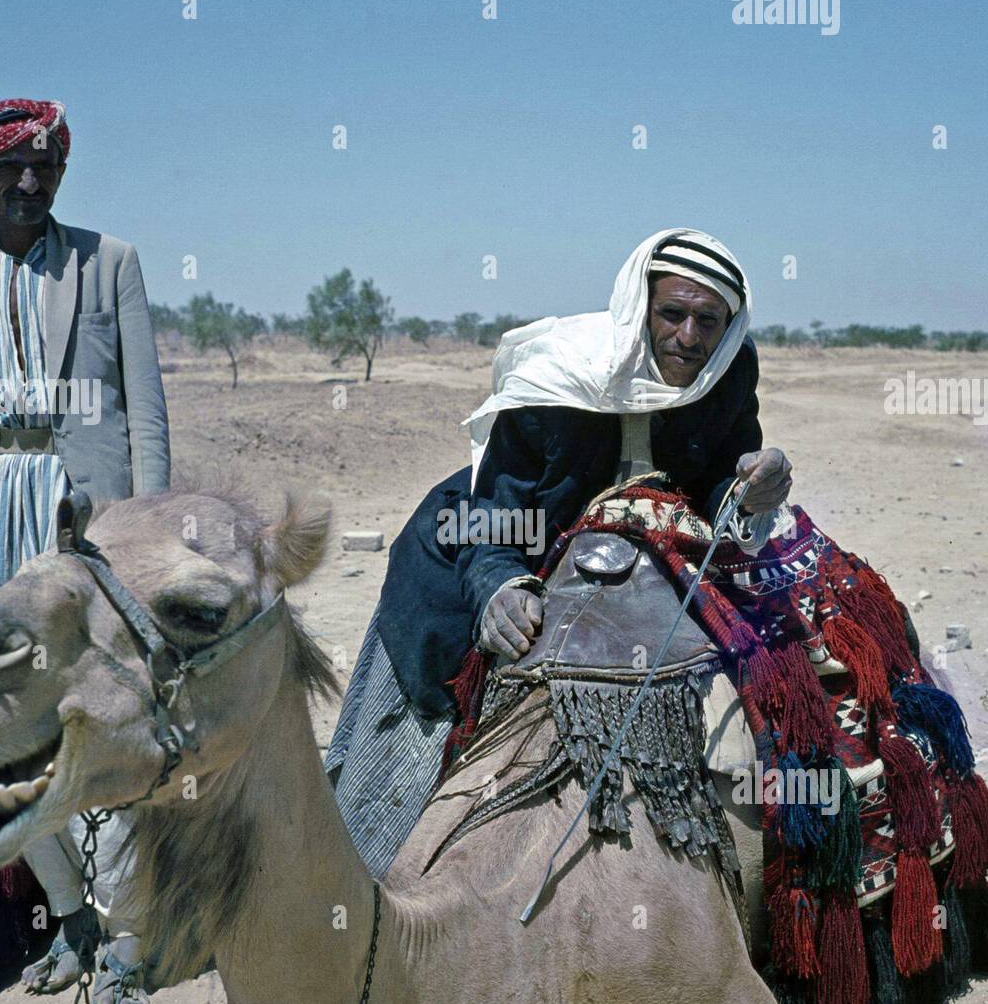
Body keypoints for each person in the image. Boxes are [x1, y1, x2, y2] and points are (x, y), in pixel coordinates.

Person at [327, 228, 790, 874]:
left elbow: (718, 477)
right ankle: (374, 884)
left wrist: (753, 487)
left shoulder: (729, 373)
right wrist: (497, 588)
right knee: (430, 714)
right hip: (504, 537)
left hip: (639, 553)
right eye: (672, 314)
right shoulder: (559, 377)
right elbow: (496, 512)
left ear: (729, 327)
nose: (688, 337)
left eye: (707, 321)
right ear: (641, 308)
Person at [0, 99, 170, 1004]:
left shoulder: (107, 261)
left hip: (81, 523)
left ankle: (128, 939)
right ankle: (70, 917)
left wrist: (150, 532)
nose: (32, 184)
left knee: (98, 718)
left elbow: (146, 410)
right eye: (14, 170)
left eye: (47, 169)